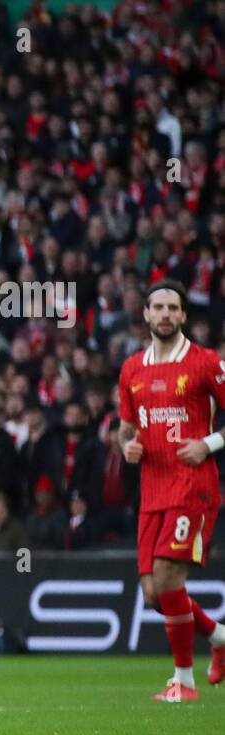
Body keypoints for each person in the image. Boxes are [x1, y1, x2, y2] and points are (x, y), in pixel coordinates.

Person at [117, 280, 225, 701]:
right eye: (157, 307)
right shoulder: (131, 369)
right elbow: (126, 427)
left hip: (193, 487)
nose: (165, 314)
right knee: (153, 594)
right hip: (153, 490)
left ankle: (185, 681)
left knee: (165, 580)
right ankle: (218, 637)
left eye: (172, 308)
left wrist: (209, 443)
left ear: (183, 316)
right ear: (145, 314)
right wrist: (126, 444)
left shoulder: (205, 363)